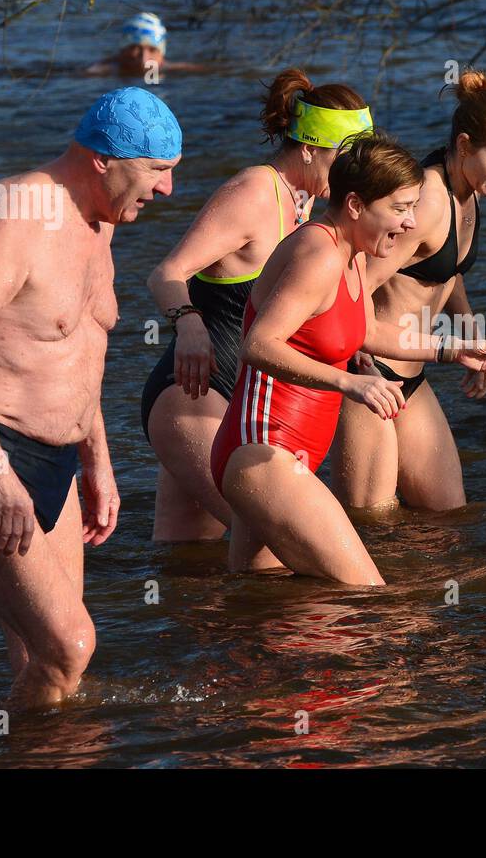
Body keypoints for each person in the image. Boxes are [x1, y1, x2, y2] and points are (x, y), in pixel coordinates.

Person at [0, 86, 182, 709]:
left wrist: (96, 460)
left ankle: (9, 738)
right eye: (158, 173)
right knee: (71, 648)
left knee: (45, 665)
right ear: (102, 161)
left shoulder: (102, 220)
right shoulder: (21, 210)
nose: (167, 191)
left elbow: (78, 350)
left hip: (56, 459)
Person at [210, 133, 486, 584]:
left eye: (413, 208)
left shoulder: (350, 253)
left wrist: (453, 348)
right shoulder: (318, 254)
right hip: (265, 453)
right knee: (369, 600)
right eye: (399, 209)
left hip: (285, 456)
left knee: (270, 612)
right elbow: (259, 344)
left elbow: (368, 331)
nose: (411, 223)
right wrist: (349, 383)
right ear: (355, 205)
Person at [141, 71, 372, 563]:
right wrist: (188, 322)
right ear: (308, 149)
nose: (355, 173)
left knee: (190, 566)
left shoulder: (315, 205)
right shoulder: (253, 190)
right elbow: (167, 272)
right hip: (195, 394)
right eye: (343, 159)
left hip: (246, 405)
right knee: (277, 551)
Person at [332, 70, 486, 511]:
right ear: (464, 146)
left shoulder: (468, 191)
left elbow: (446, 272)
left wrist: (471, 337)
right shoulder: (426, 201)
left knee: (448, 516)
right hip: (371, 372)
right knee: (375, 523)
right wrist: (356, 353)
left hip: (411, 374)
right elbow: (354, 277)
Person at [85, 12, 206, 78]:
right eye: (135, 48)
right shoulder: (101, 71)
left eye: (152, 50)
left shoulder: (177, 69)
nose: (144, 59)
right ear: (122, 51)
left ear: (161, 54)